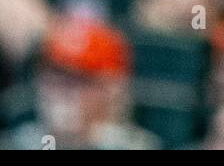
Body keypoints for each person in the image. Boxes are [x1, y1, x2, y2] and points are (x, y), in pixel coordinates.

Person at [4, 15, 159, 150]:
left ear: (112, 90)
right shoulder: (16, 143)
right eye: (54, 78)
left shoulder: (136, 146)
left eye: (78, 81)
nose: (62, 92)